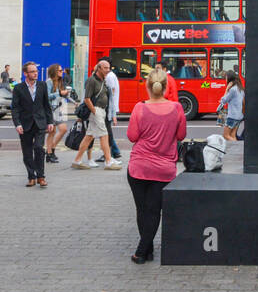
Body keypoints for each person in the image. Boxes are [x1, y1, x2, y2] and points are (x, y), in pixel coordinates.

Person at [126, 67, 188, 263]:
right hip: (164, 169)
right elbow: (181, 136)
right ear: (166, 86)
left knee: (142, 210)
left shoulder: (139, 107)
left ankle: (143, 251)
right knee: (154, 211)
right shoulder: (177, 108)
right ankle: (147, 250)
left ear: (148, 86)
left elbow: (132, 136)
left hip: (138, 167)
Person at [12, 61, 55, 188]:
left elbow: (47, 105)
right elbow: (15, 108)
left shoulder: (42, 85)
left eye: (36, 71)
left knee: (38, 148)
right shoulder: (18, 88)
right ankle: (31, 177)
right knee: (27, 152)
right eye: (32, 72)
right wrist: (17, 124)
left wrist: (50, 121)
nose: (35, 74)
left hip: (40, 123)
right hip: (25, 124)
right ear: (25, 73)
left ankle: (41, 177)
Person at [73, 59, 121, 170]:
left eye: (109, 68)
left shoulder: (103, 80)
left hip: (102, 111)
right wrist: (94, 111)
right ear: (98, 68)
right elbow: (86, 98)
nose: (108, 70)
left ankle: (77, 160)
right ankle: (108, 161)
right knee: (104, 135)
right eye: (105, 68)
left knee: (89, 136)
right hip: (96, 110)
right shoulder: (92, 80)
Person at [44, 63, 71, 163]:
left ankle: (51, 149)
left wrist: (73, 100)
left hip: (59, 109)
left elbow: (62, 96)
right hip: (51, 110)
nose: (62, 72)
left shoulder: (60, 82)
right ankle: (49, 153)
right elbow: (46, 96)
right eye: (60, 71)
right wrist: (59, 93)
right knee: (52, 132)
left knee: (63, 129)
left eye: (62, 70)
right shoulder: (49, 82)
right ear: (54, 71)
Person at [103, 61, 123, 161]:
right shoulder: (111, 75)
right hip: (110, 108)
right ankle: (114, 151)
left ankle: (111, 152)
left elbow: (111, 92)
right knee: (106, 132)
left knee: (106, 132)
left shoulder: (109, 76)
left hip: (109, 108)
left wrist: (113, 113)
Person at [218, 71, 244, 142]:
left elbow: (223, 100)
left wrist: (227, 89)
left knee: (226, 135)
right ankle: (237, 150)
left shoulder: (232, 89)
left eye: (226, 77)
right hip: (239, 116)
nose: (225, 79)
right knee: (232, 135)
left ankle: (240, 145)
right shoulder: (240, 88)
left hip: (232, 116)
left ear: (229, 78)